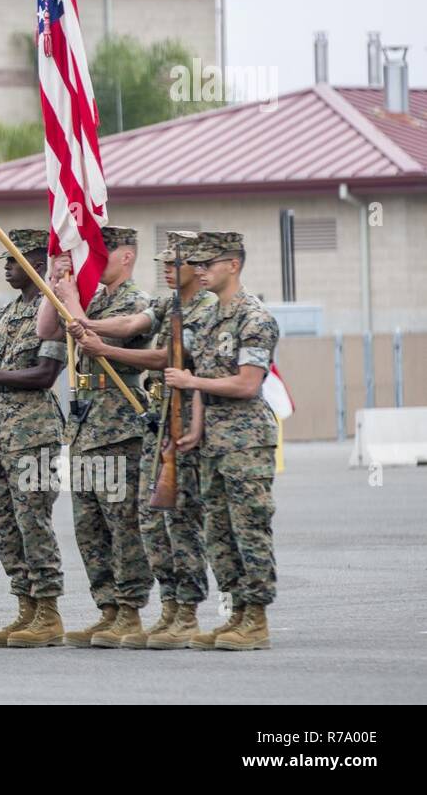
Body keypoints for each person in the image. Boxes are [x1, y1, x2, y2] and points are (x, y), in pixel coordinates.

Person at [68, 230, 215, 648]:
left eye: (175, 263)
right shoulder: (166, 303)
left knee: (183, 523)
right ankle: (166, 610)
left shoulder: (204, 309)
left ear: (197, 266)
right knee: (153, 524)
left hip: (184, 424)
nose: (167, 269)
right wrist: (85, 321)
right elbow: (135, 324)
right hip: (158, 420)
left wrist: (106, 350)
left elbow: (166, 357)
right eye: (164, 263)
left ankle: (185, 612)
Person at [164, 231, 280, 651]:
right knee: (219, 531)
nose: (200, 271)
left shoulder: (255, 317)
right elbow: (202, 382)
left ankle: (258, 619)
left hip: (246, 441)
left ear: (233, 265)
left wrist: (191, 380)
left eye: (209, 264)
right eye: (197, 265)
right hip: (213, 438)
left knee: (249, 530)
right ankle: (236, 614)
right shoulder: (212, 317)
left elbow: (248, 384)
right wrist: (195, 425)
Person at [39, 226, 153, 648]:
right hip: (85, 430)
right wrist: (58, 282)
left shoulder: (136, 300)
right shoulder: (93, 298)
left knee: (122, 525)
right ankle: (107, 609)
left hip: (119, 428)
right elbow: (47, 330)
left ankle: (130, 611)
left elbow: (119, 330)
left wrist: (75, 305)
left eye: (102, 252)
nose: (94, 259)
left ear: (126, 256)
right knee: (89, 526)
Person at [0, 230, 67, 648]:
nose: (6, 267)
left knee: (32, 521)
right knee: (2, 523)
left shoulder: (51, 312)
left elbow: (44, 374)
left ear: (38, 265)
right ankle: (25, 609)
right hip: (2, 434)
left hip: (34, 432)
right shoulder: (6, 314)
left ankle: (48, 613)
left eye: (14, 261)